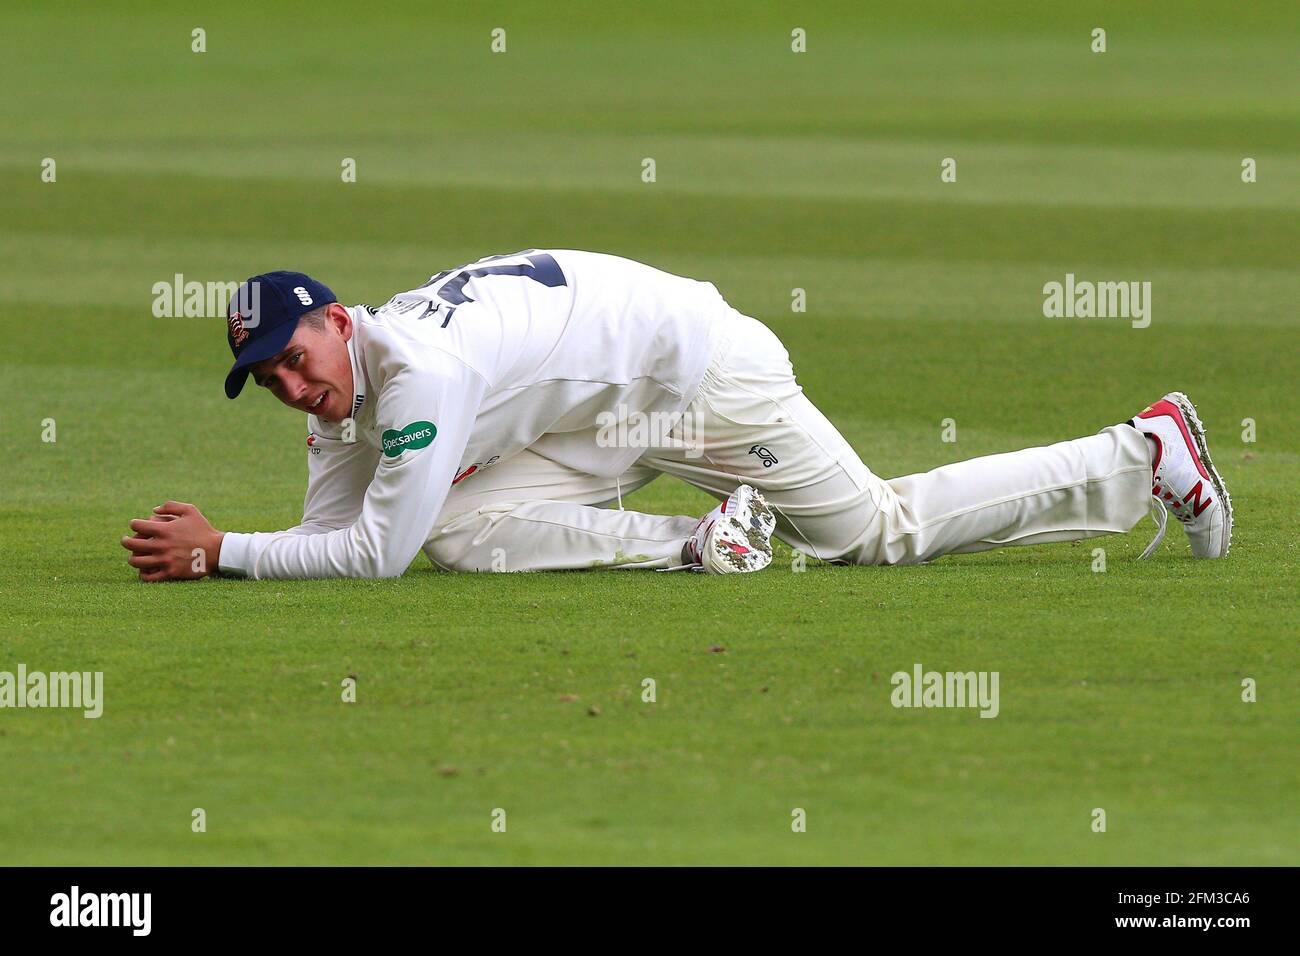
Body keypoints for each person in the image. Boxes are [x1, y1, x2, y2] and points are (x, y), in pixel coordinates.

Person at [120, 250, 1232, 582]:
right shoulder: (346, 395)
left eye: (294, 357)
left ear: (337, 319)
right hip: (604, 407)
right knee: (454, 526)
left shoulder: (418, 376)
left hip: (701, 381)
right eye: (266, 377)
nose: (292, 386)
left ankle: (1140, 454)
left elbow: (372, 553)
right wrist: (249, 547)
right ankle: (702, 542)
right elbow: (343, 532)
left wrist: (222, 554)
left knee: (871, 533)